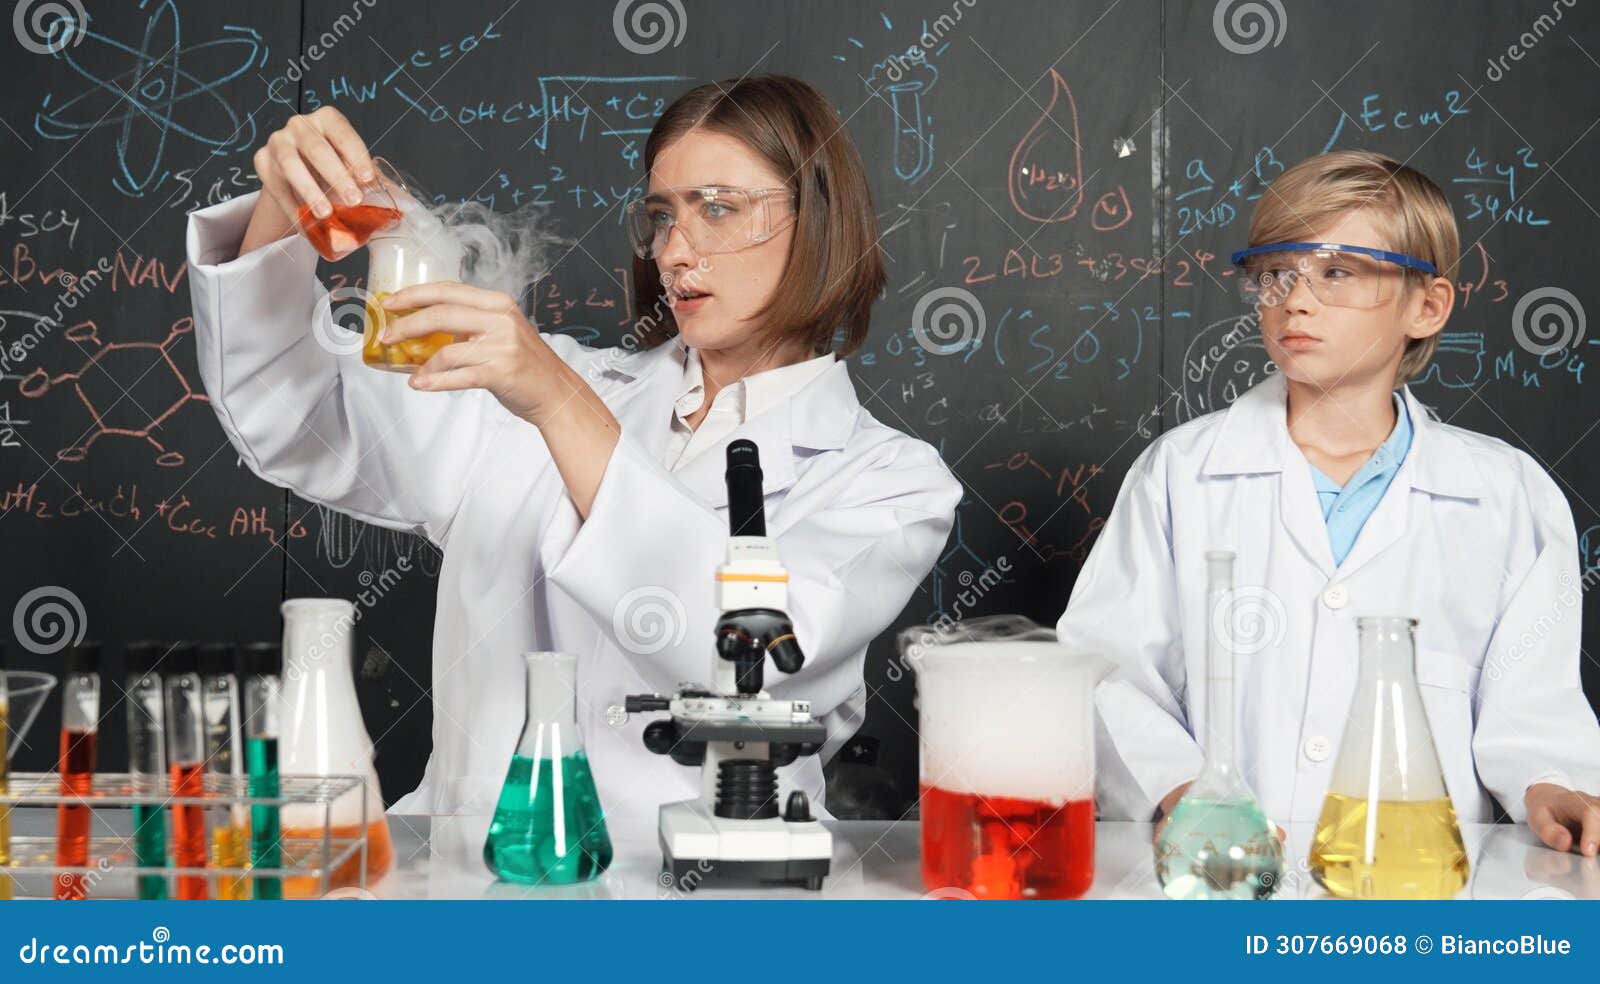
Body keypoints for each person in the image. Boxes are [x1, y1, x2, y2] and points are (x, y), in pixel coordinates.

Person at [184, 76, 961, 823]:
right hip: (478, 874)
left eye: (719, 208)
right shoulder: (527, 384)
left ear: (820, 221)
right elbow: (295, 410)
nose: (675, 251)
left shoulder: (890, 483)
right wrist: (286, 206)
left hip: (709, 886)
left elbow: (742, 658)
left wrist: (559, 400)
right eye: (662, 216)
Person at [1056, 150, 1600, 856]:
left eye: (1338, 272)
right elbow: (1106, 670)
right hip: (1220, 878)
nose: (1296, 300)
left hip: (1416, 887)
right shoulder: (1181, 474)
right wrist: (1183, 790)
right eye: (1276, 274)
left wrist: (1553, 784)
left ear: (1427, 306)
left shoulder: (1506, 494)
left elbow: (1534, 707)